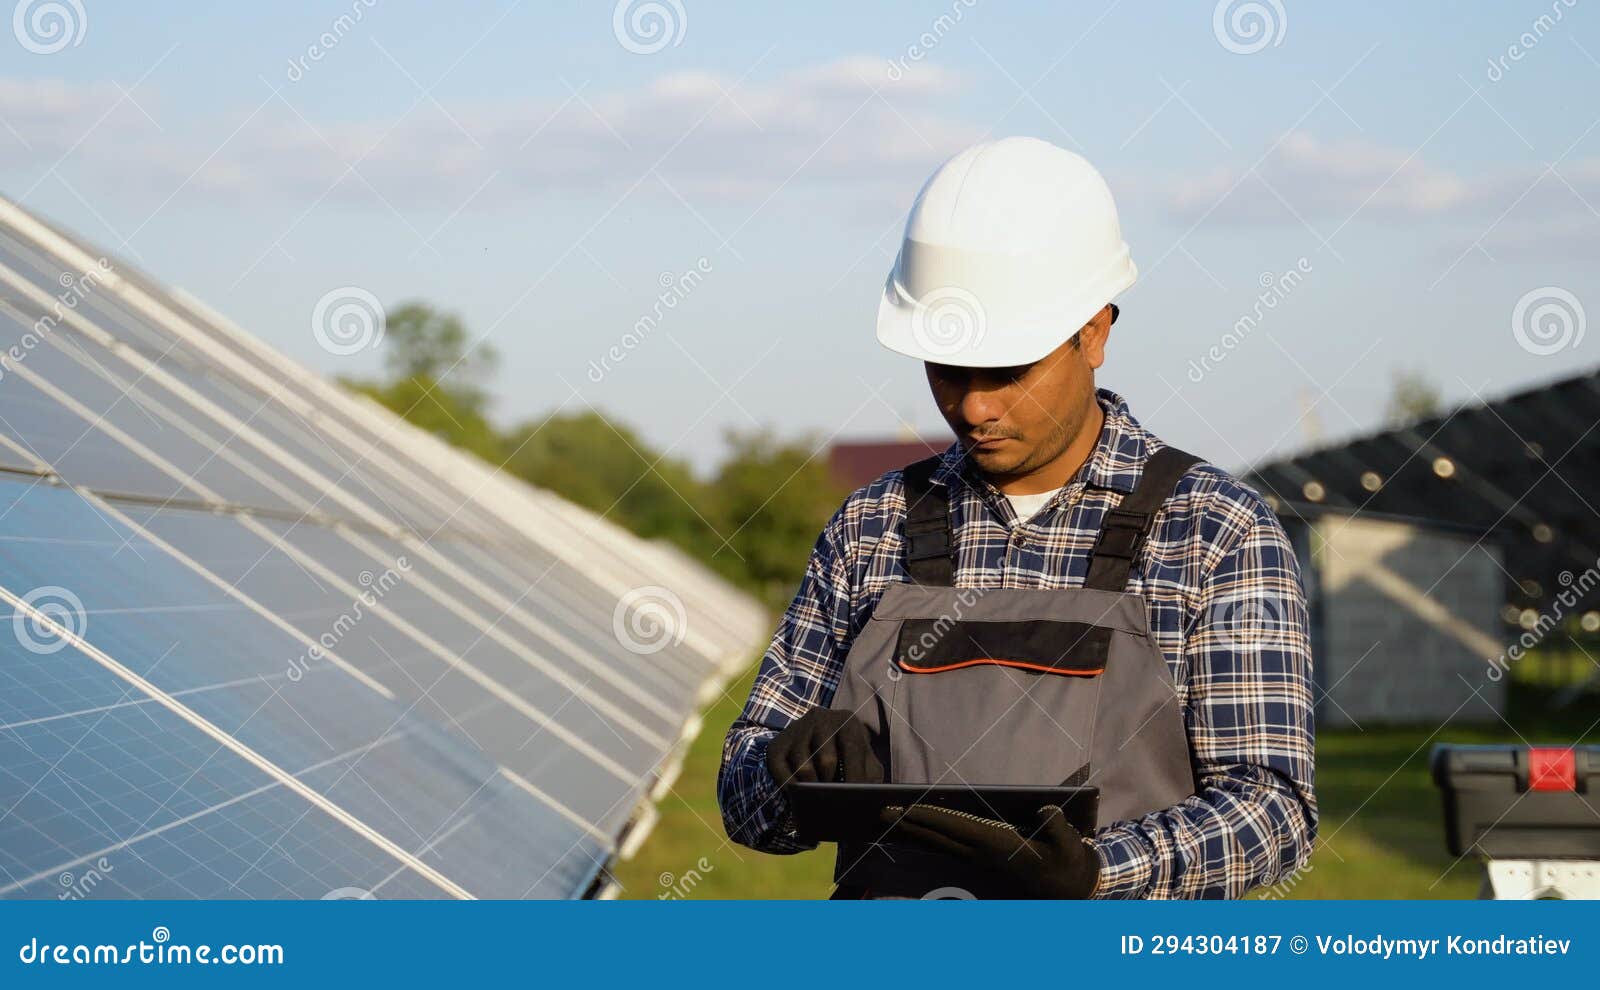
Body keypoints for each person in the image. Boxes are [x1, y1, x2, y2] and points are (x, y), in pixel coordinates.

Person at [717, 136, 1317, 899]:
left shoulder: (1212, 530)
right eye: (947, 370)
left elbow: (1272, 808)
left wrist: (1100, 870)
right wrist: (790, 772)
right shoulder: (873, 526)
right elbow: (746, 794)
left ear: (1094, 332)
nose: (973, 406)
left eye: (1006, 371)